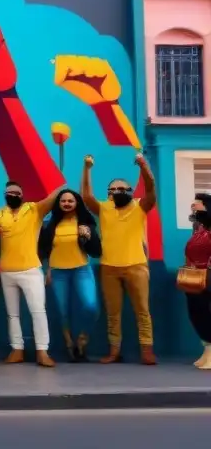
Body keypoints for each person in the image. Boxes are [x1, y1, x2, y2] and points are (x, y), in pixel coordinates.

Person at [80, 153, 158, 365]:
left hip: (137, 266)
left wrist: (143, 165)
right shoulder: (104, 208)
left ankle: (147, 350)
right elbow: (86, 196)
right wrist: (87, 169)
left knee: (142, 311)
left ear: (130, 192)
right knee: (113, 313)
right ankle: (114, 351)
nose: (116, 192)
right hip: (109, 268)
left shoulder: (141, 206)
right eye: (112, 190)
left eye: (121, 189)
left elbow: (151, 186)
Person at [0, 180, 60, 367]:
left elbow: (53, 196)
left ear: (23, 195)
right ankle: (17, 349)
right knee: (12, 314)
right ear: (5, 195)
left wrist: (57, 183)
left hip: (31, 270)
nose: (13, 195)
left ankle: (42, 351)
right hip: (6, 271)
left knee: (38, 311)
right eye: (9, 192)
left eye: (16, 192)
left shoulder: (34, 210)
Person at [39, 187, 101, 362]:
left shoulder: (85, 223)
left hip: (82, 269)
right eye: (63, 201)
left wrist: (88, 236)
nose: (66, 203)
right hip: (58, 272)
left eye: (70, 201)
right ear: (58, 204)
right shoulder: (51, 225)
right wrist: (48, 270)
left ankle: (82, 339)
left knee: (91, 307)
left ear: (76, 204)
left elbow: (97, 251)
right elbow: (44, 250)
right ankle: (70, 344)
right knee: (62, 311)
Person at [181, 192, 211, 369]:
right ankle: (207, 348)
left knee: (207, 312)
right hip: (194, 277)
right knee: (196, 312)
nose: (193, 205)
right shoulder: (198, 229)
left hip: (208, 276)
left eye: (197, 203)